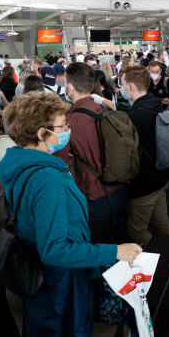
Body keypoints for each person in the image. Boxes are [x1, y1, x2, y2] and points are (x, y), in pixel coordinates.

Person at [0, 91, 142, 337]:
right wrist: (116, 251)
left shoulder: (21, 164)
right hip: (60, 282)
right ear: (42, 133)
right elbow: (55, 249)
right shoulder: (46, 177)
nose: (66, 129)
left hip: (45, 276)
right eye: (62, 125)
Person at [55, 62, 128, 244]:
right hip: (120, 189)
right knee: (122, 244)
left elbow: (60, 163)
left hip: (94, 195)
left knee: (102, 250)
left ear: (70, 87)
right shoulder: (107, 109)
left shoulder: (69, 121)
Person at [121, 66, 169, 246]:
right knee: (161, 222)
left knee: (136, 230)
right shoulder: (156, 105)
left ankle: (162, 260)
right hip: (162, 174)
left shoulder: (135, 116)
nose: (120, 89)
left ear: (131, 87)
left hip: (145, 182)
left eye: (122, 84)